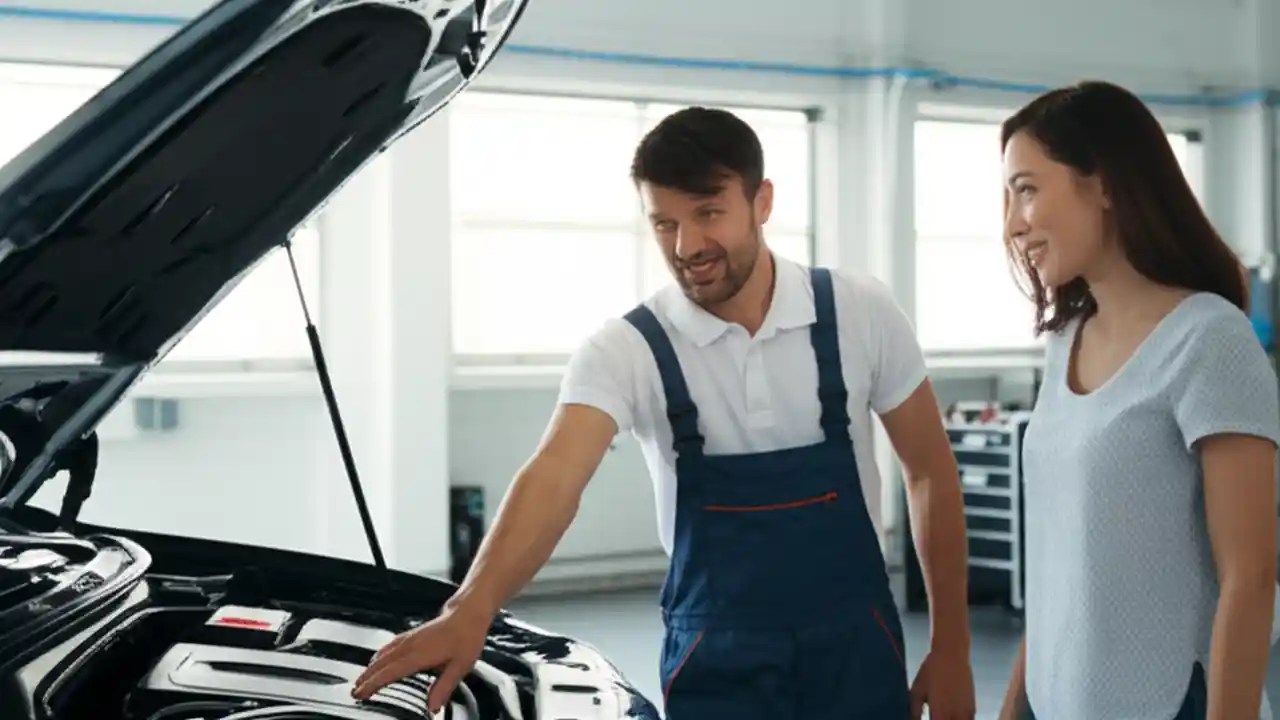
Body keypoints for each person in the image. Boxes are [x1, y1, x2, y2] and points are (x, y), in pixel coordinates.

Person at [353, 106, 977, 719]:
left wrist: (952, 648)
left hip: (856, 647)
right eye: (663, 223)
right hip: (718, 661)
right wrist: (471, 607)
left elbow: (927, 470)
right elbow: (554, 478)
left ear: (762, 202)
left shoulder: (859, 312)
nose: (687, 246)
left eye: (708, 213)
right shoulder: (627, 349)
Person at [995, 80, 1279, 720]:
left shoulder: (1209, 339)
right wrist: (1015, 707)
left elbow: (1252, 576)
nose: (1014, 224)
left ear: (1103, 184)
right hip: (1055, 699)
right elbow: (1053, 567)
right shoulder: (1063, 343)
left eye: (1028, 189)